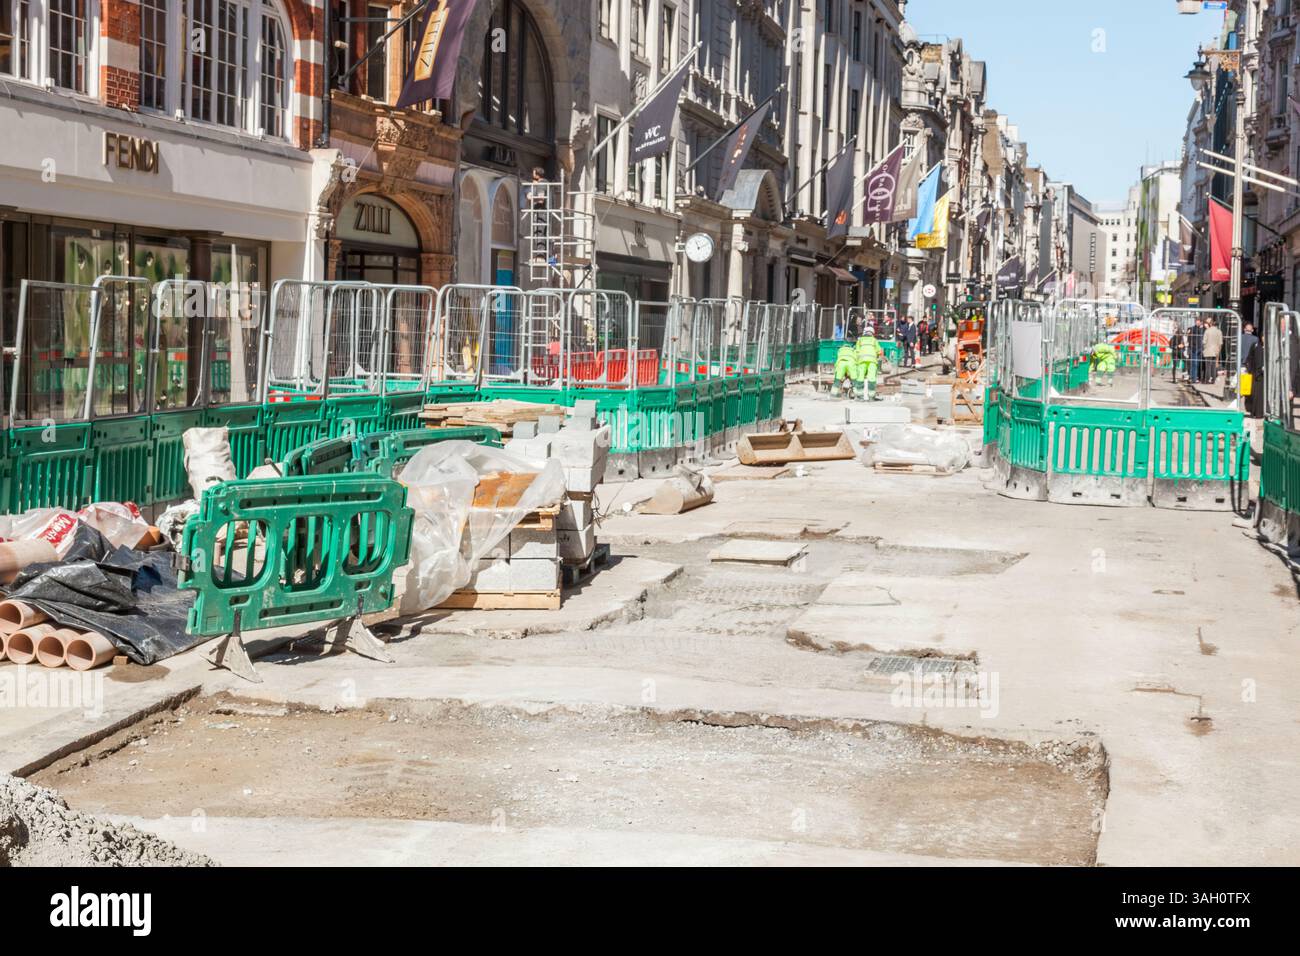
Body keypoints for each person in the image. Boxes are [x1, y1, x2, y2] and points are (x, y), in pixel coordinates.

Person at [856, 324, 885, 400]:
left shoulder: (860, 340)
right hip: (872, 361)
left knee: (860, 377)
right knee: (871, 378)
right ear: (872, 333)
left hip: (862, 361)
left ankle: (859, 396)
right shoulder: (874, 340)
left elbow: (857, 351)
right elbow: (879, 351)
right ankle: (871, 396)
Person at [1202, 317, 1224, 384]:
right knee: (1214, 366)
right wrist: (1218, 350)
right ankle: (1213, 379)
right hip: (1215, 350)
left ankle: (1207, 379)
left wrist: (1204, 347)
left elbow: (1204, 341)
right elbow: (1220, 342)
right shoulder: (1219, 331)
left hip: (1208, 350)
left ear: (1211, 324)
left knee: (1208, 366)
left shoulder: (1207, 331)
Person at [1187, 317, 1204, 385]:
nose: (1198, 322)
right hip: (1194, 348)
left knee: (1198, 364)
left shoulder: (1201, 329)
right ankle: (1193, 378)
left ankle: (1196, 377)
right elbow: (1189, 339)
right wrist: (1192, 346)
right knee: (1194, 364)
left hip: (1200, 348)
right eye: (1197, 321)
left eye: (1199, 321)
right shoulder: (1192, 329)